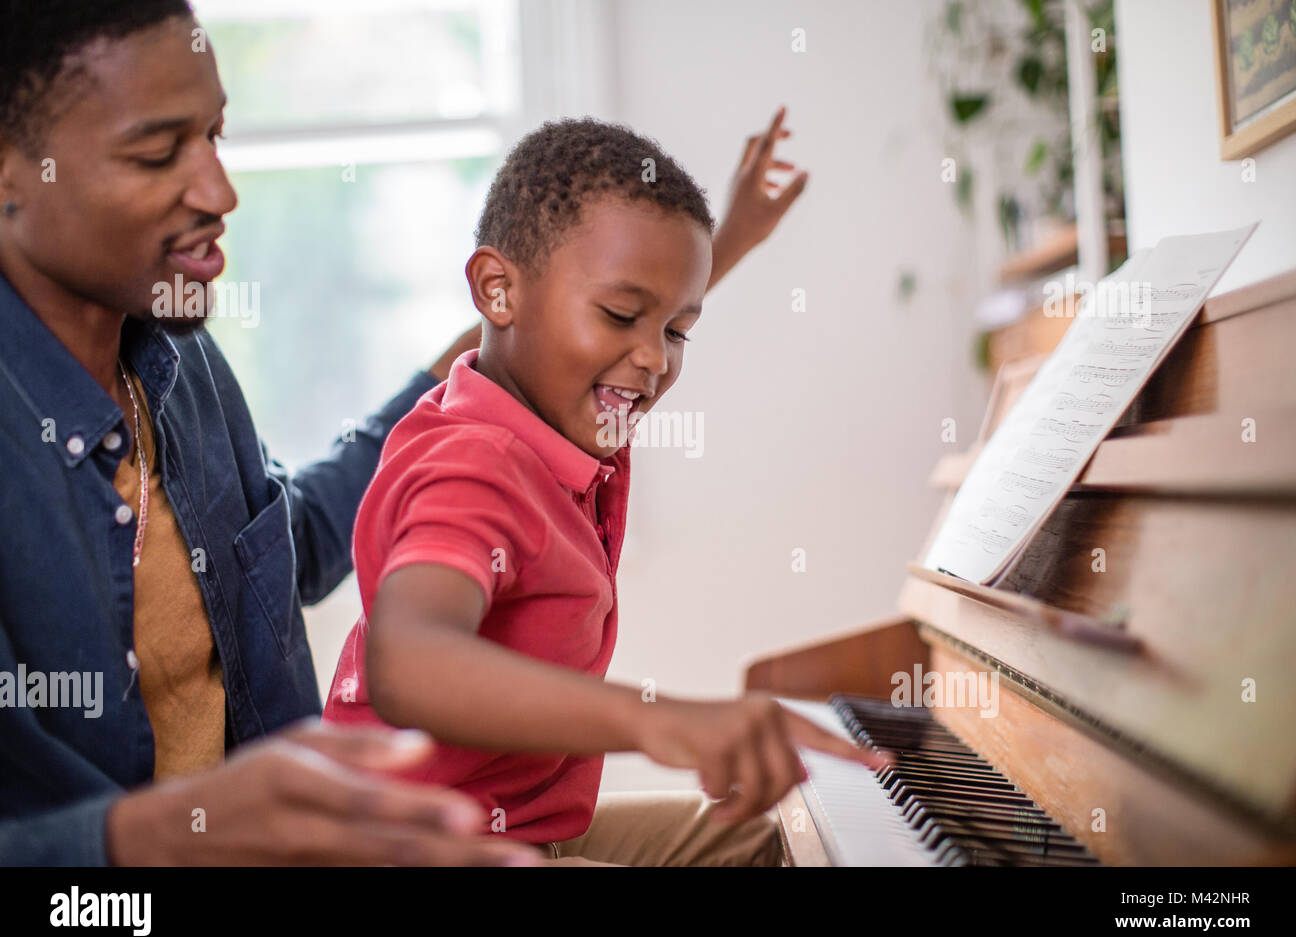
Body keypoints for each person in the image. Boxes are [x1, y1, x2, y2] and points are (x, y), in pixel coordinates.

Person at [0, 0, 806, 865]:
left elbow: (298, 540)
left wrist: (703, 260)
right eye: (159, 153)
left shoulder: (177, 364)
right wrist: (179, 833)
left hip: (351, 843)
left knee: (772, 845)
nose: (221, 192)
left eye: (216, 137)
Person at [323, 119, 888, 866]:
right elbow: (409, 661)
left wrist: (736, 238)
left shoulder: (557, 424)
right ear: (496, 290)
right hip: (409, 851)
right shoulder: (473, 463)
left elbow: (612, 295)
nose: (653, 359)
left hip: (515, 829)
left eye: (679, 331)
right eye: (624, 318)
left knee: (784, 842)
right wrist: (662, 721)